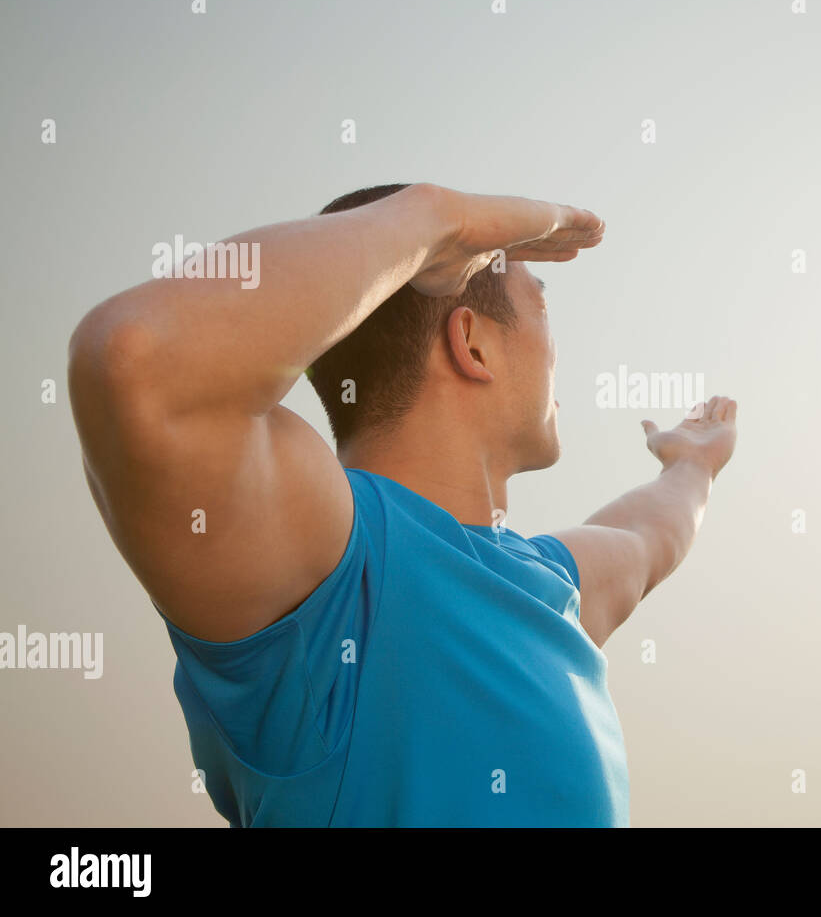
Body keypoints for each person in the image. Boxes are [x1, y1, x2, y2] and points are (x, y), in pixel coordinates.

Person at [66, 182, 737, 826]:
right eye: (540, 303)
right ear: (470, 341)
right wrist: (437, 217)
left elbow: (651, 536)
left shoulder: (545, 586)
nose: (560, 347)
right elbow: (135, 358)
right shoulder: (332, 571)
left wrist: (693, 464)